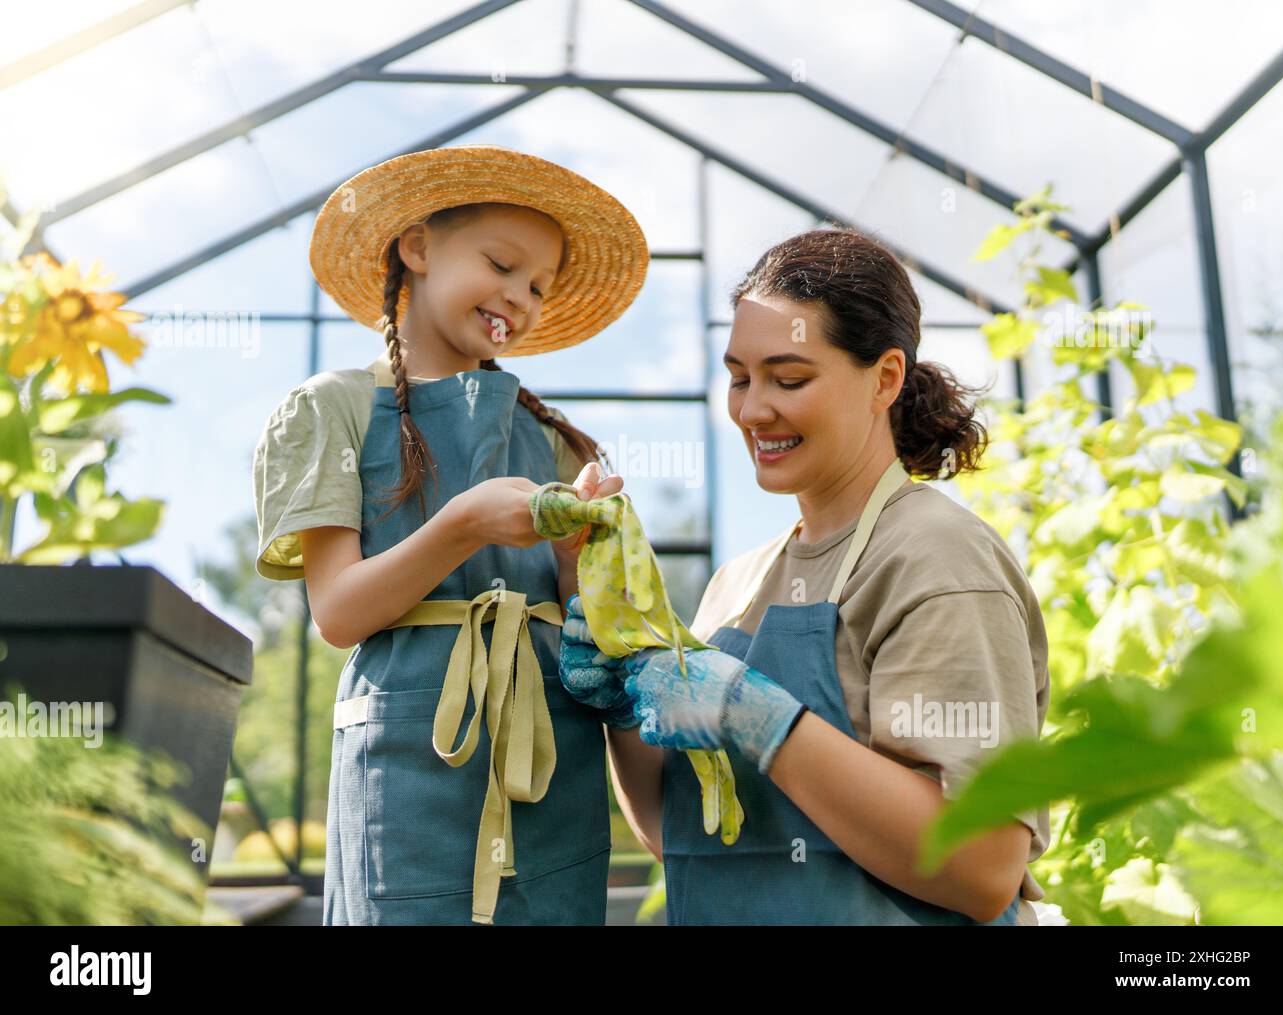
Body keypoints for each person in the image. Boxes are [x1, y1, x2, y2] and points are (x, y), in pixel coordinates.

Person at [560, 227, 1051, 925]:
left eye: (789, 378)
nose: (754, 409)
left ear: (885, 377)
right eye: (738, 377)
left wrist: (761, 718)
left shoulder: (933, 557)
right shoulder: (738, 583)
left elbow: (982, 865)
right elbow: (686, 838)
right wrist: (622, 710)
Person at [252, 145, 648, 925]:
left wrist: (576, 559)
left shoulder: (558, 441)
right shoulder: (333, 409)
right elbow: (338, 612)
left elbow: (591, 625)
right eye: (501, 264)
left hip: (550, 754)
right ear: (419, 246)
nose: (520, 297)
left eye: (538, 285)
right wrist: (462, 525)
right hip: (409, 764)